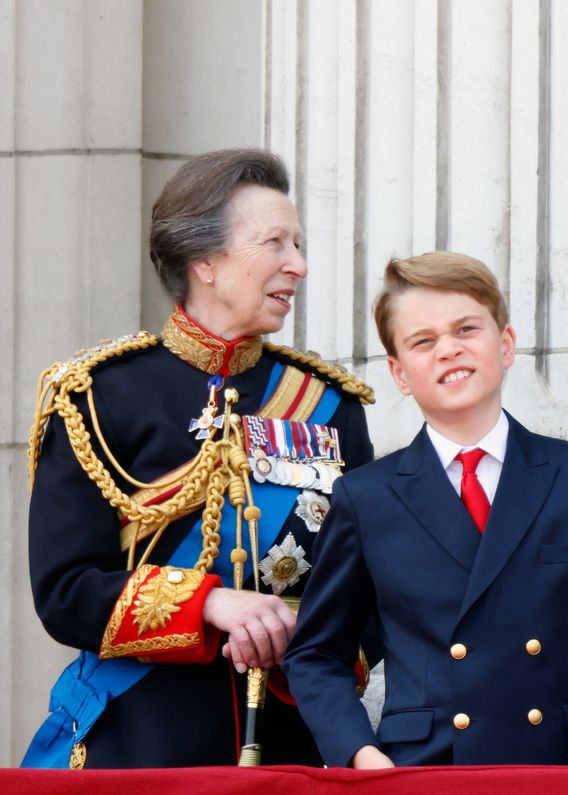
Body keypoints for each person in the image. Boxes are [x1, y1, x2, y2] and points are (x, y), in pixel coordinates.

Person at [22, 149, 375, 768]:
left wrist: (308, 644)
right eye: (275, 243)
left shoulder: (328, 404)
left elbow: (377, 585)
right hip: (140, 745)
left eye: (297, 244)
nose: (299, 265)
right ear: (205, 261)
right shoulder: (99, 395)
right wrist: (209, 603)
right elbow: (65, 589)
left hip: (291, 747)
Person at [282, 252, 568, 767]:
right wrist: (360, 753)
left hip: (556, 767)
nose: (449, 350)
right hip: (424, 769)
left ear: (505, 344)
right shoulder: (366, 497)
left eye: (465, 329)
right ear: (400, 372)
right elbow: (317, 654)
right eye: (423, 341)